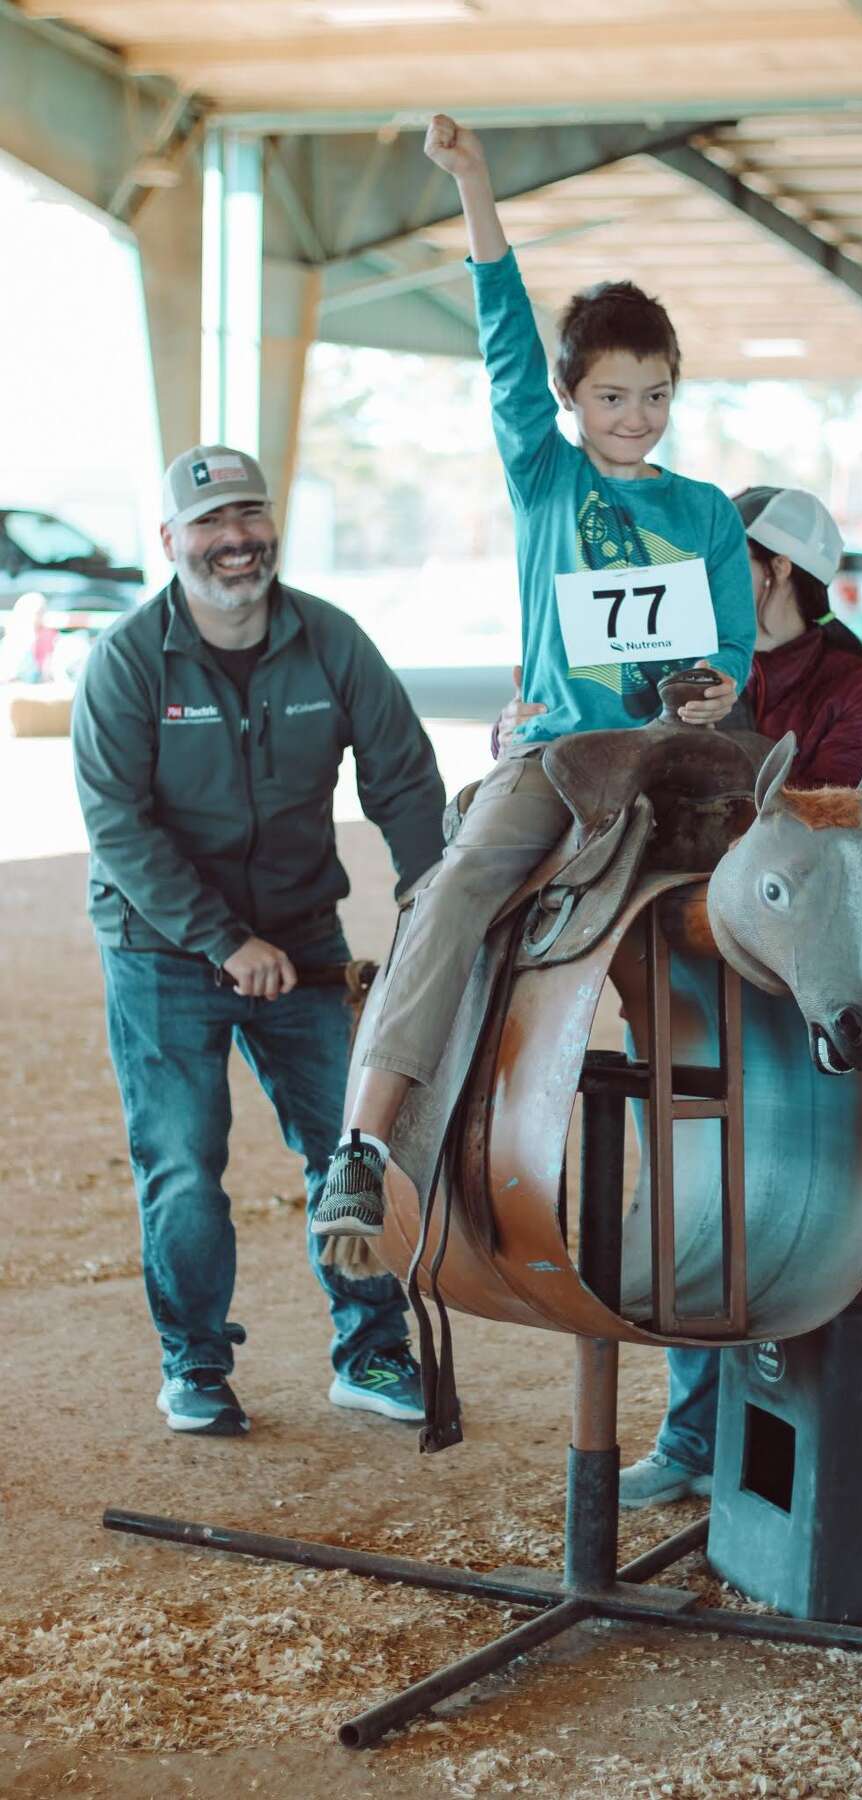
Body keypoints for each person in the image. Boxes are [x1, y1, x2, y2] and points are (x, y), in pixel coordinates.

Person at [499, 485, 862, 1510]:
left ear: (766, 571)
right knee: (683, 1183)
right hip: (674, 939)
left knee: (771, 1199)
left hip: (779, 952)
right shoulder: (678, 649)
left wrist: (721, 739)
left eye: (726, 556)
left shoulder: (860, 692)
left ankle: (767, 1446)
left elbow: (821, 840)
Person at [312, 114, 757, 1244]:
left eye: (655, 394)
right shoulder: (546, 477)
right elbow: (506, 340)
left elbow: (734, 649)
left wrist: (714, 690)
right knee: (454, 892)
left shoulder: (705, 512)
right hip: (559, 755)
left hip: (673, 764)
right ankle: (363, 1145)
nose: (635, 416)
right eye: (611, 396)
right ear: (571, 402)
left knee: (822, 883)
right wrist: (476, 189)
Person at [71, 445, 447, 1436]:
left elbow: (404, 779)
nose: (235, 540)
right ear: (170, 541)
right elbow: (117, 824)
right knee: (186, 1161)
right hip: (161, 951)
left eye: (249, 516)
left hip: (302, 942)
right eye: (210, 524)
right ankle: (195, 1365)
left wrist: (431, 904)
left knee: (352, 1146)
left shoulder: (331, 641)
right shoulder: (127, 661)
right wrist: (222, 939)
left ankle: (371, 1353)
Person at [0, 590, 57, 683]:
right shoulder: (13, 640)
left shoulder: (49, 637)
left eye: (41, 612)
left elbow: (49, 673)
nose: (39, 617)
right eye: (37, 612)